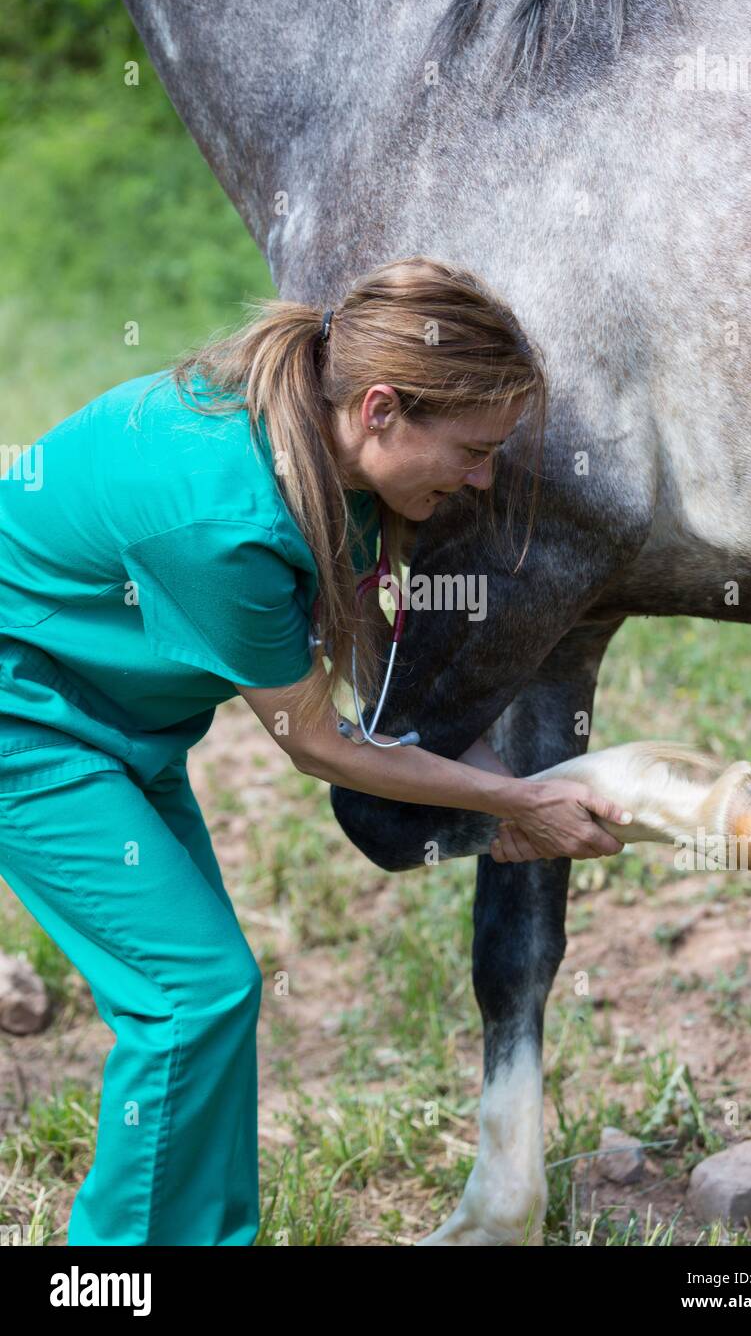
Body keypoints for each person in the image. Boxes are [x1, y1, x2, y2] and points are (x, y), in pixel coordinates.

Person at [0, 254, 629, 1246]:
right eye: (471, 449)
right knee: (188, 995)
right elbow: (321, 743)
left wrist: (496, 795)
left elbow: (378, 701)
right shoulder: (226, 521)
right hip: (26, 722)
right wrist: (510, 805)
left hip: (124, 724)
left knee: (206, 996)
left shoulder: (330, 460)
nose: (482, 477)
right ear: (380, 408)